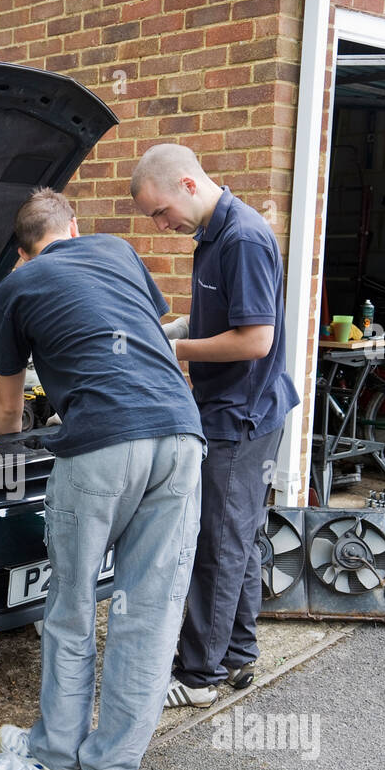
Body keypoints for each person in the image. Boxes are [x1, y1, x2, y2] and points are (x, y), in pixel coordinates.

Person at [0, 187, 205, 770]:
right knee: (151, 606)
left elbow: (7, 407)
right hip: (180, 435)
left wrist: (6, 439)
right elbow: (152, 334)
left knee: (73, 600)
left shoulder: (16, 287)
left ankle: (56, 756)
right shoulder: (115, 247)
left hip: (101, 445)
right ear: (74, 227)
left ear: (23, 253)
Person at [130, 144, 300, 707]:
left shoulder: (243, 238)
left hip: (242, 415)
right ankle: (237, 655)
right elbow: (219, 316)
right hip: (238, 408)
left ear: (186, 183)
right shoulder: (212, 236)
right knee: (242, 537)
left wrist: (176, 347)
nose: (161, 224)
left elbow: (256, 339)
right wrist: (172, 326)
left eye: (160, 211)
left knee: (218, 542)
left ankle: (198, 675)